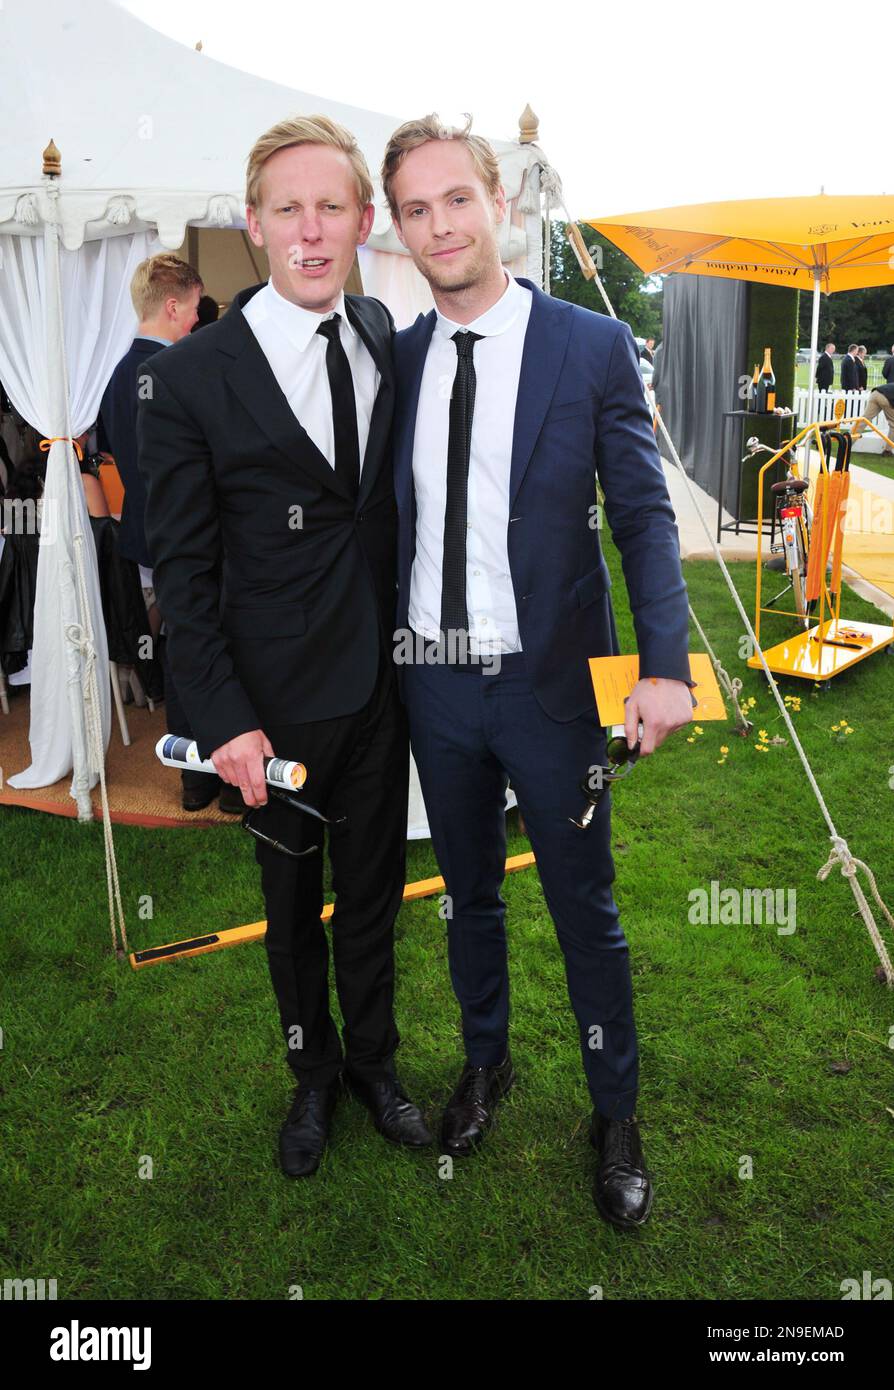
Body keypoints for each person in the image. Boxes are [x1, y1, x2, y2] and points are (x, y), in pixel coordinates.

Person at [382, 114, 695, 1231]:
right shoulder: (400, 354)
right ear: (403, 230)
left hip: (553, 686)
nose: (440, 225)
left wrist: (663, 664)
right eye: (416, 210)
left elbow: (647, 519)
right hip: (433, 677)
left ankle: (616, 1113)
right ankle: (487, 1064)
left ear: (500, 204)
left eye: (456, 199)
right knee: (468, 893)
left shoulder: (588, 346)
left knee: (583, 906)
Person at [137, 114, 431, 1180]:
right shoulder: (191, 380)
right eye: (287, 210)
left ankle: (376, 1067)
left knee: (373, 897)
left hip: (380, 693)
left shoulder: (384, 339)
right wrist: (222, 721)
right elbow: (184, 574)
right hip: (272, 713)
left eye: (332, 208)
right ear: (253, 225)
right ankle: (311, 1075)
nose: (312, 232)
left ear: (362, 220)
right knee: (289, 910)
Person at [98, 254, 220, 810]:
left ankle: (195, 778)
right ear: (173, 306)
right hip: (189, 537)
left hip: (150, 536)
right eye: (194, 309)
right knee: (207, 652)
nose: (196, 320)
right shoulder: (175, 370)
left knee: (180, 648)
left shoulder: (116, 374)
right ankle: (214, 775)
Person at [851, 381, 894, 454]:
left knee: (864, 420)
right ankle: (888, 450)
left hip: (875, 394)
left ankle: (847, 442)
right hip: (886, 398)